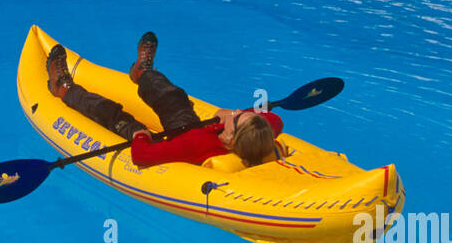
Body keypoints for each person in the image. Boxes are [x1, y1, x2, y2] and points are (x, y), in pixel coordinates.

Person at [46, 32, 284, 169]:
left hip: (171, 138)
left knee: (110, 113)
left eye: (237, 117)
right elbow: (275, 120)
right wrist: (232, 115)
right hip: (191, 127)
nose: (234, 112)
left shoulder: (194, 145)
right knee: (173, 96)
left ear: (231, 137)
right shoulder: (259, 136)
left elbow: (142, 157)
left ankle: (64, 89)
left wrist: (140, 136)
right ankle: (143, 73)